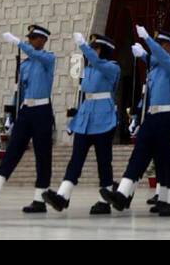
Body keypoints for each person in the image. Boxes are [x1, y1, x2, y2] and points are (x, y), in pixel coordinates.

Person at [0, 24, 56, 212]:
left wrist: (18, 43)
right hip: (26, 111)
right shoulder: (24, 64)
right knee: (12, 151)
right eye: (29, 38)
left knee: (43, 156)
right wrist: (11, 115)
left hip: (42, 110)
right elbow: (20, 92)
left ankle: (39, 200)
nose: (30, 41)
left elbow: (37, 55)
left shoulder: (48, 58)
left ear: (43, 40)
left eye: (34, 38)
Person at [104, 26, 170, 215]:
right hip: (151, 117)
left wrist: (147, 40)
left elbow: (162, 59)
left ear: (169, 47)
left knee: (166, 159)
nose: (157, 48)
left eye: (161, 44)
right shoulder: (154, 71)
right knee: (139, 154)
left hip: (167, 116)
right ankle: (123, 194)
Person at [45, 33, 119, 215]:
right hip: (86, 118)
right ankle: (63, 196)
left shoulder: (111, 67)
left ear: (104, 50)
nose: (92, 51)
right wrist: (74, 121)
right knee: (76, 160)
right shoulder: (89, 69)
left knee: (104, 161)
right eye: (91, 48)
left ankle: (105, 199)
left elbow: (99, 63)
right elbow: (83, 95)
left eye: (95, 48)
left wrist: (83, 46)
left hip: (103, 119)